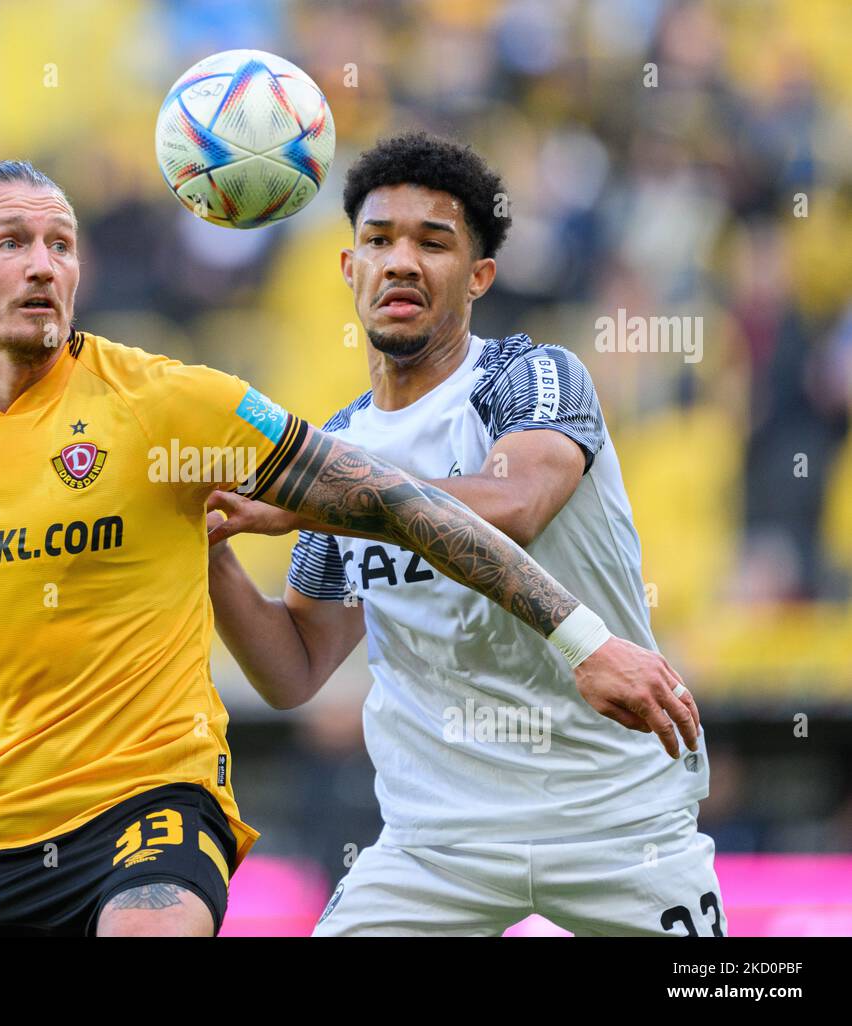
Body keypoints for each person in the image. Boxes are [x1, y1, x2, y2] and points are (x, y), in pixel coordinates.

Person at [0, 159, 697, 937]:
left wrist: (580, 636)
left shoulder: (177, 404)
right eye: (13, 242)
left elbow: (421, 511)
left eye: (62, 245)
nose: (43, 265)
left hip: (152, 809)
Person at [205, 131, 723, 937]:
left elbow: (513, 506)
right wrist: (210, 549)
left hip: (616, 820)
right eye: (378, 241)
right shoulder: (340, 453)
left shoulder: (534, 377)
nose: (401, 262)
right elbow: (295, 668)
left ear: (479, 276)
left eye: (432, 243)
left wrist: (311, 498)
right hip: (432, 845)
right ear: (350, 271)